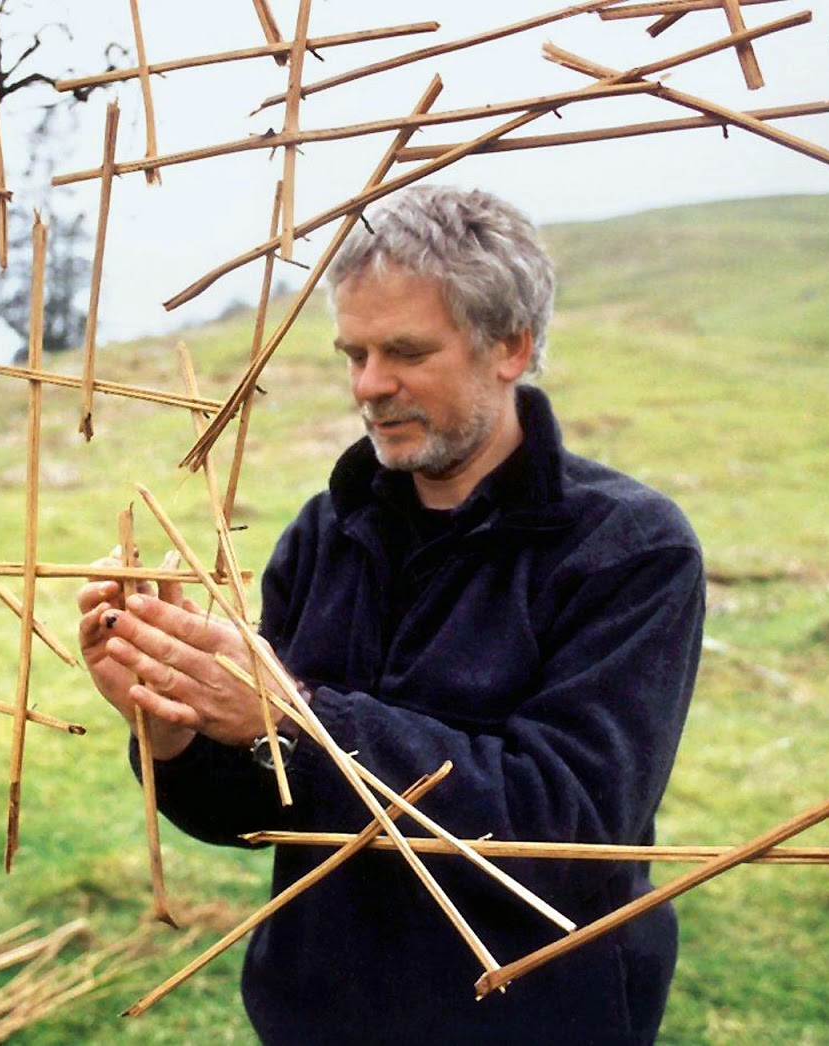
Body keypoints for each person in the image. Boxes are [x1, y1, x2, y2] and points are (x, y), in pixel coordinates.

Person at [78, 185, 705, 1045]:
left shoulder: (626, 548)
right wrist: (175, 723)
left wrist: (296, 720)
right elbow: (263, 810)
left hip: (533, 1019)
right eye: (354, 353)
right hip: (318, 1017)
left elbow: (570, 826)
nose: (370, 386)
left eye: (405, 351)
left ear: (510, 346)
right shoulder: (326, 532)